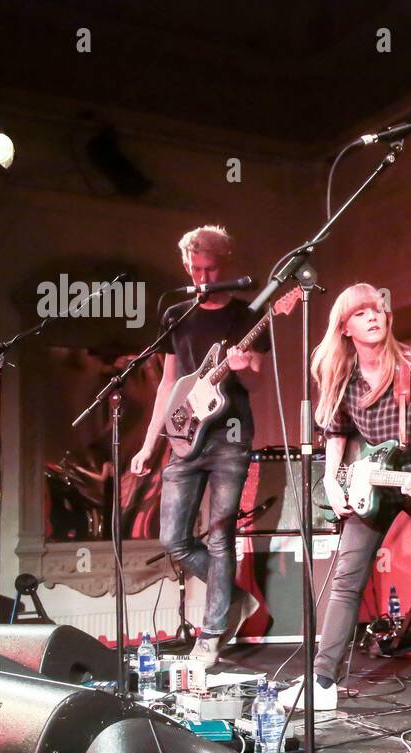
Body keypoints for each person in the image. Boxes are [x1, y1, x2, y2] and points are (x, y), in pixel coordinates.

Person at [288, 282, 411, 711]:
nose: (373, 316)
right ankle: (323, 680)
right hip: (371, 481)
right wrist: (334, 483)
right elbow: (335, 437)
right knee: (346, 580)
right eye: (360, 312)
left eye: (377, 309)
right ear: (346, 327)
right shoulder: (340, 375)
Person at [131, 225, 265, 665]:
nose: (202, 275)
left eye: (209, 267)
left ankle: (210, 635)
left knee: (221, 536)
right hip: (185, 435)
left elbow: (258, 364)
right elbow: (168, 383)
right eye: (194, 268)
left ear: (223, 264)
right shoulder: (176, 314)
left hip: (229, 435)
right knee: (174, 539)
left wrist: (245, 362)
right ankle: (234, 600)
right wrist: (149, 444)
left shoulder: (246, 315)